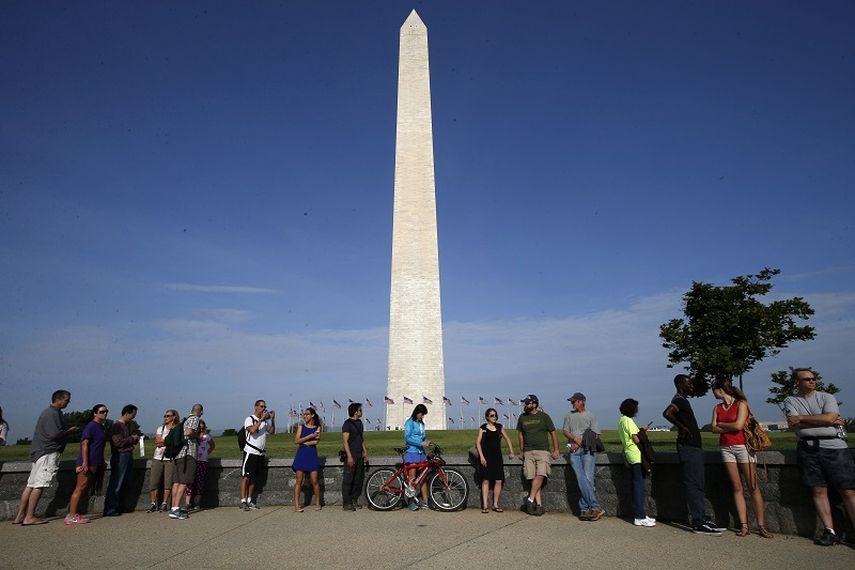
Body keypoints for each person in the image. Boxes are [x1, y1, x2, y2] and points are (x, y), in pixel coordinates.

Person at [784, 368, 855, 546]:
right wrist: (821, 419)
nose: (811, 381)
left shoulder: (827, 397)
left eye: (813, 378)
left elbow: (830, 418)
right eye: (806, 379)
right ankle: (829, 531)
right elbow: (793, 423)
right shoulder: (790, 400)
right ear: (797, 383)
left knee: (847, 490)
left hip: (834, 447)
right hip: (808, 448)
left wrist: (802, 418)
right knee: (818, 490)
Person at [662, 374, 725, 535]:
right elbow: (667, 413)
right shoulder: (678, 400)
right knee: (693, 484)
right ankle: (698, 522)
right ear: (679, 384)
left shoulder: (683, 400)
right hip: (688, 447)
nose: (691, 386)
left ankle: (702, 518)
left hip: (693, 447)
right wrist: (682, 427)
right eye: (688, 383)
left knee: (698, 484)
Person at [711, 378, 773, 538]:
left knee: (752, 486)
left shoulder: (741, 404)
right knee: (737, 486)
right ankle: (744, 525)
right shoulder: (717, 408)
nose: (713, 394)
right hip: (726, 447)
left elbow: (738, 426)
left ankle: (761, 525)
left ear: (719, 390)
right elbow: (712, 428)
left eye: (714, 390)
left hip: (743, 447)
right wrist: (726, 426)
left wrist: (722, 425)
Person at [13, 390, 79, 525]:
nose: (68, 403)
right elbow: (54, 434)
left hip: (40, 453)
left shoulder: (49, 413)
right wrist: (69, 432)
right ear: (59, 399)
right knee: (40, 484)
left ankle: (20, 516)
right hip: (47, 453)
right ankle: (29, 516)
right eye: (67, 400)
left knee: (30, 484)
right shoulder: (52, 414)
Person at [562, 392, 604, 521]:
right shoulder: (569, 415)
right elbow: (565, 431)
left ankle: (585, 509)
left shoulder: (591, 416)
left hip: (588, 450)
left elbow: (596, 434)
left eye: (574, 401)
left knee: (588, 479)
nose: (572, 403)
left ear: (582, 401)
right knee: (581, 478)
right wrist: (574, 439)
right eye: (572, 401)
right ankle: (593, 507)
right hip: (574, 451)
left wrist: (580, 442)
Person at [65, 404, 109, 525]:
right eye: (102, 411)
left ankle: (73, 514)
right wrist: (85, 462)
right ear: (95, 413)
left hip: (95, 462)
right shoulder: (91, 426)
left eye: (106, 411)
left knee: (84, 488)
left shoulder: (101, 427)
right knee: (80, 487)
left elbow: (100, 447)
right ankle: (71, 515)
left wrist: (102, 461)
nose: (104, 413)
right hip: (87, 463)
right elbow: (85, 444)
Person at [516, 394, 560, 516]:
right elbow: (520, 435)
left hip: (543, 451)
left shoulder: (544, 417)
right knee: (532, 478)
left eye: (527, 403)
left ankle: (530, 500)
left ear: (534, 404)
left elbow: (553, 432)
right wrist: (521, 451)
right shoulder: (522, 418)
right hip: (528, 452)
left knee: (541, 475)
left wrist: (556, 449)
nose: (525, 405)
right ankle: (539, 506)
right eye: (525, 403)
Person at [618, 398, 656, 527]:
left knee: (637, 485)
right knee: (639, 486)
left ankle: (641, 514)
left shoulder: (621, 420)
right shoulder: (629, 421)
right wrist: (643, 432)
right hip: (636, 455)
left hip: (629, 453)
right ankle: (639, 516)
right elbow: (636, 439)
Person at [475, 407, 515, 513]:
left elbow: (507, 438)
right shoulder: (483, 428)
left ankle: (496, 504)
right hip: (486, 457)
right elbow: (478, 443)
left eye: (495, 415)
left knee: (498, 480)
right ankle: (485, 505)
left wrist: (511, 452)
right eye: (492, 415)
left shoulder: (499, 427)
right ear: (487, 417)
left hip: (497, 457)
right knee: (486, 481)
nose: (494, 417)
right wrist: (482, 456)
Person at [103, 404, 140, 517]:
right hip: (120, 456)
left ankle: (119, 506)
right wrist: (131, 438)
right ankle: (110, 508)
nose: (133, 417)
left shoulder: (125, 425)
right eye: (133, 415)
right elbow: (117, 442)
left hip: (126, 455)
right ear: (127, 413)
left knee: (124, 482)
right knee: (117, 483)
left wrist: (133, 440)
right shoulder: (117, 426)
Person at [169, 403, 202, 520]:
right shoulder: (195, 419)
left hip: (179, 455)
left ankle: (173, 507)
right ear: (200, 411)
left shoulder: (184, 420)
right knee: (184, 481)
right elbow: (189, 432)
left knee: (177, 482)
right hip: (188, 454)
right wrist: (198, 435)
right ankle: (176, 509)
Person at [240, 400, 275, 511]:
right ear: (256, 407)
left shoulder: (264, 422)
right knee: (246, 477)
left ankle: (250, 500)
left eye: (264, 407)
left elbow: (272, 432)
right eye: (261, 406)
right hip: (251, 452)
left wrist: (272, 420)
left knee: (253, 478)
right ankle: (243, 501)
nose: (263, 408)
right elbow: (253, 430)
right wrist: (261, 419)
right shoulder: (249, 419)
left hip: (260, 453)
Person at [147, 409, 179, 513]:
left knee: (168, 482)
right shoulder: (160, 428)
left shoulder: (177, 429)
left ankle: (164, 503)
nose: (166, 417)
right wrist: (169, 441)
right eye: (164, 416)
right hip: (158, 457)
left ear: (174, 417)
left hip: (170, 458)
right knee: (154, 481)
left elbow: (176, 443)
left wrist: (164, 441)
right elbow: (158, 442)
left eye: (168, 416)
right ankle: (153, 503)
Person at [292, 407, 322, 512]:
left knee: (314, 480)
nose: (305, 416)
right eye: (304, 414)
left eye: (307, 414)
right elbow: (296, 441)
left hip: (311, 454)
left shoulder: (317, 427)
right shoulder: (301, 427)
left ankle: (318, 502)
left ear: (312, 415)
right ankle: (296, 505)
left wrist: (304, 442)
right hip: (301, 455)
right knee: (299, 481)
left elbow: (316, 442)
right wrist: (310, 436)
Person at [403, 404, 432, 511]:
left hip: (421, 453)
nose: (423, 417)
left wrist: (426, 441)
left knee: (423, 477)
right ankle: (410, 502)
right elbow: (407, 438)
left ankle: (425, 501)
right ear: (417, 413)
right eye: (422, 414)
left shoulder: (421, 424)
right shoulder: (410, 422)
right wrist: (421, 443)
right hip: (412, 452)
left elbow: (422, 437)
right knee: (412, 478)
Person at [342, 402, 368, 511]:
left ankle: (353, 499)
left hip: (359, 454)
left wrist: (365, 451)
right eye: (360, 410)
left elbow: (361, 438)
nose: (361, 412)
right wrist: (349, 456)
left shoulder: (360, 423)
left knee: (358, 479)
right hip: (351, 454)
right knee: (348, 479)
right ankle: (346, 503)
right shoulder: (347, 424)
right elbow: (345, 441)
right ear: (355, 412)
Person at [184, 419, 215, 511]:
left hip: (202, 461)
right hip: (192, 460)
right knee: (189, 482)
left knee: (199, 482)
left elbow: (212, 445)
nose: (201, 430)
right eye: (199, 428)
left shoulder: (207, 436)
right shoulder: (193, 436)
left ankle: (197, 503)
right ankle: (187, 503)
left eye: (203, 428)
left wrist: (206, 452)